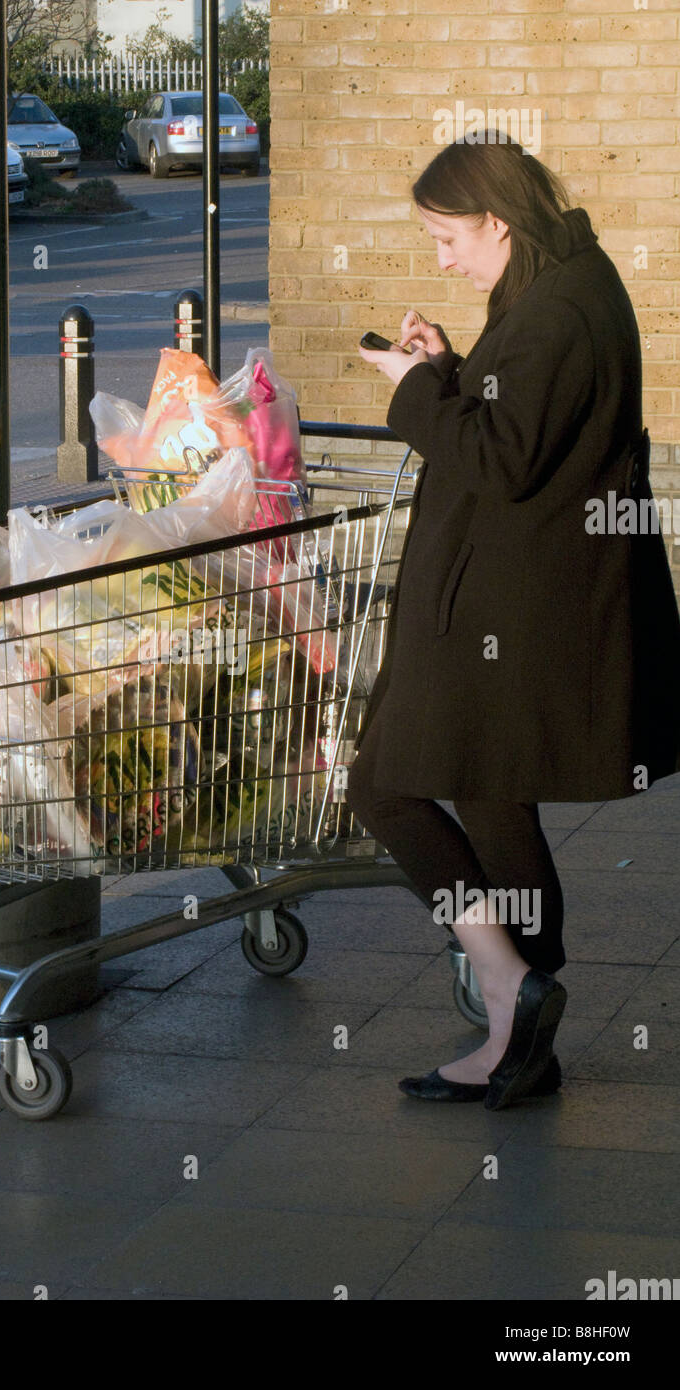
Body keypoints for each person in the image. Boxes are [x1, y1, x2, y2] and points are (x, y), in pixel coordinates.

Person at [352, 133, 680, 1110]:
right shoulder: (560, 288)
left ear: (496, 218)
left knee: (384, 786)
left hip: (508, 609)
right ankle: (518, 1029)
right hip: (516, 601)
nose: (442, 258)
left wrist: (410, 389)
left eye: (446, 236)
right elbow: (521, 426)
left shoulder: (561, 310)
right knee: (493, 798)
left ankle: (507, 979)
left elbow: (500, 461)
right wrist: (450, 367)